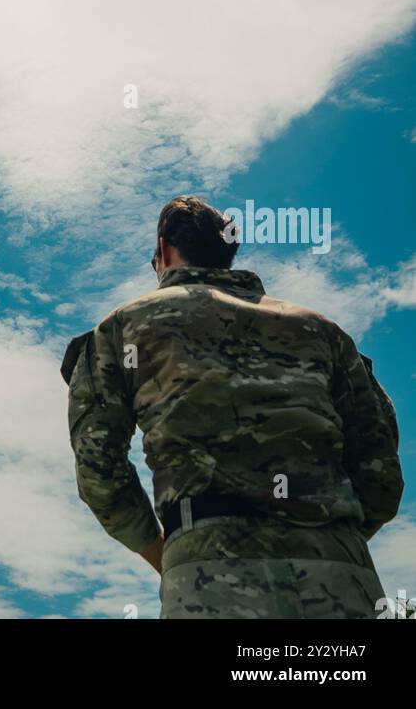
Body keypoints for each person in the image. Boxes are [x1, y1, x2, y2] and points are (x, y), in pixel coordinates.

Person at [61, 195, 403, 619]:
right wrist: (326, 533)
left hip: (207, 573)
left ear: (163, 251)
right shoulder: (322, 331)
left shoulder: (123, 327)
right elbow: (381, 471)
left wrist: (160, 550)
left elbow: (97, 464)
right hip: (343, 571)